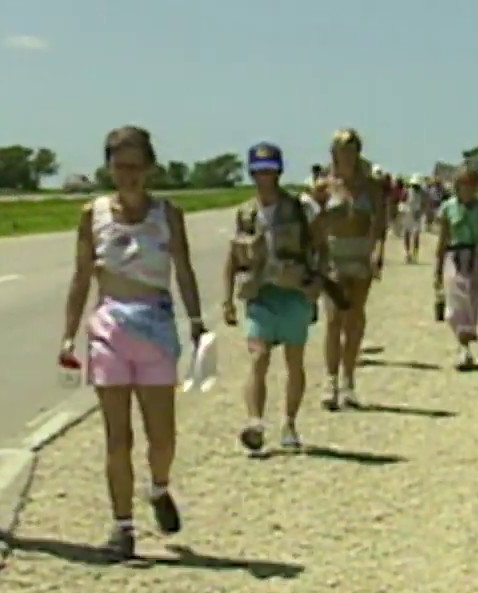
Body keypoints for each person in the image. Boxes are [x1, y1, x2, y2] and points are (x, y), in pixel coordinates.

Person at [59, 126, 207, 559]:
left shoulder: (168, 215)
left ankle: (159, 487)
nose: (128, 176)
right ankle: (122, 526)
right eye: (120, 167)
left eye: (136, 167)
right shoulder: (93, 214)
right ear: (109, 168)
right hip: (109, 329)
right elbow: (82, 275)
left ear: (150, 168)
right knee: (116, 436)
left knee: (161, 435)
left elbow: (183, 268)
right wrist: (68, 333)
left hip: (156, 328)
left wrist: (197, 320)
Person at [223, 143, 326, 452]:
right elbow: (233, 256)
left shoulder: (301, 209)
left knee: (294, 361)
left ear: (279, 171)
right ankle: (255, 422)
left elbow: (322, 248)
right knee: (258, 357)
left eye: (269, 170)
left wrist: (316, 284)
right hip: (260, 294)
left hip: (294, 292)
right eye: (258, 171)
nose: (263, 177)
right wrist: (227, 299)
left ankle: (289, 423)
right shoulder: (245, 212)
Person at [316, 128, 386, 410]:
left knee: (354, 318)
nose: (348, 155)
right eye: (343, 150)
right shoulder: (324, 187)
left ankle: (348, 380)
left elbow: (379, 223)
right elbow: (313, 223)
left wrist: (378, 250)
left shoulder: (370, 188)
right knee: (334, 319)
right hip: (334, 254)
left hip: (359, 254)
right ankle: (330, 379)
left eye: (352, 149)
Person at [433, 168, 478, 369]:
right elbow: (443, 239)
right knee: (455, 303)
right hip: (455, 257)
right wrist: (438, 268)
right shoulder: (447, 208)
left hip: (476, 257)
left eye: (471, 185)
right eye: (463, 185)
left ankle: (465, 343)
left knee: (473, 301)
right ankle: (463, 343)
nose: (467, 190)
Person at [401, 175, 426, 263]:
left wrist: (420, 212)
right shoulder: (407, 191)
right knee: (406, 234)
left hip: (417, 215)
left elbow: (424, 204)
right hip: (408, 214)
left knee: (416, 236)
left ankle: (415, 255)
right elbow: (402, 201)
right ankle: (407, 253)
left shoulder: (422, 193)